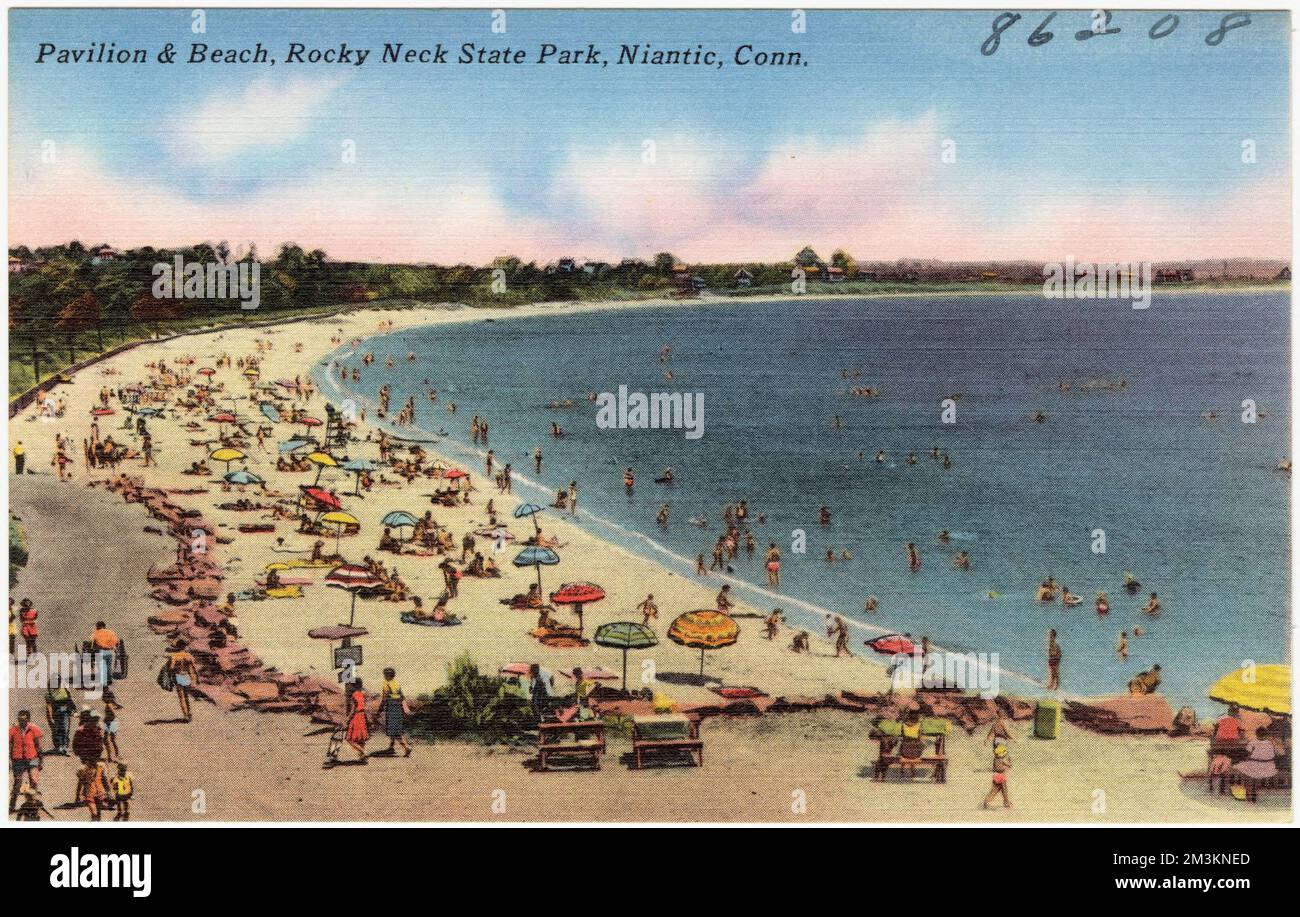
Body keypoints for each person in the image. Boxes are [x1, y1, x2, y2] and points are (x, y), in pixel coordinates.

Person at [9, 710, 43, 813]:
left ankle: (32, 804)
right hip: (17, 759)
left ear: (28, 719)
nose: (21, 722)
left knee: (33, 781)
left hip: (32, 758)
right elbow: (9, 746)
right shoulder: (13, 730)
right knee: (18, 783)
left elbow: (39, 746)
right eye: (19, 720)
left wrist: (40, 761)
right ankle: (12, 805)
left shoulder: (34, 729)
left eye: (23, 720)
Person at [379, 669, 412, 757]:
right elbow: (402, 696)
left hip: (391, 707)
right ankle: (391, 746)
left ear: (386, 675)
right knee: (395, 726)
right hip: (398, 707)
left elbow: (384, 699)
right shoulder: (397, 684)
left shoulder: (386, 684)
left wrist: (379, 710)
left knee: (393, 729)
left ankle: (406, 747)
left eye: (385, 674)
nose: (384, 676)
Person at [44, 673, 74, 755]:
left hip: (65, 712)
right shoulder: (50, 692)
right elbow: (49, 706)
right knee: (57, 730)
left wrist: (72, 710)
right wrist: (50, 717)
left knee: (65, 729)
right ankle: (59, 746)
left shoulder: (64, 687)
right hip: (56, 713)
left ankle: (65, 747)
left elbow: (69, 699)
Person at [167, 641, 198, 721]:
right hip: (187, 676)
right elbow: (194, 668)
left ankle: (186, 715)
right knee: (186, 695)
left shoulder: (175, 656)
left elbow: (171, 668)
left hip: (179, 676)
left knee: (182, 697)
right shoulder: (189, 656)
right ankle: (189, 712)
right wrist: (195, 678)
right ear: (184, 647)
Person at [343, 678, 369, 763]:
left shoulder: (354, 695)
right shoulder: (362, 694)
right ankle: (362, 758)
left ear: (353, 685)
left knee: (349, 739)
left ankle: (363, 752)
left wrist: (346, 720)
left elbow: (353, 710)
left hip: (357, 716)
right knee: (361, 738)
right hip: (362, 716)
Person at [982, 743, 1012, 809]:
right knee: (1004, 790)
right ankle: (1006, 802)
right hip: (1001, 776)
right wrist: (1009, 762)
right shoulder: (1002, 760)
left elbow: (994, 768)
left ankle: (986, 802)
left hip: (995, 776)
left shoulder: (995, 759)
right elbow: (1009, 765)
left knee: (994, 790)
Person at [91, 620, 119, 689]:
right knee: (109, 666)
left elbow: (93, 645)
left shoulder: (95, 633)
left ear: (97, 627)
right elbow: (117, 643)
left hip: (101, 652)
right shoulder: (110, 632)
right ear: (104, 626)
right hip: (109, 652)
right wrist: (114, 648)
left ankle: (103, 683)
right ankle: (109, 680)